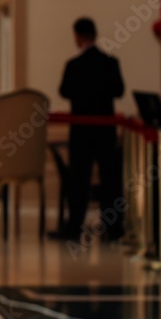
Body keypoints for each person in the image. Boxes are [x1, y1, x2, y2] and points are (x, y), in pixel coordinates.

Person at [51, 17, 126, 242]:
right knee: (110, 179)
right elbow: (119, 90)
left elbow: (64, 91)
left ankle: (74, 226)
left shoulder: (74, 66)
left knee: (79, 179)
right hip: (105, 131)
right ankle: (112, 227)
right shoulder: (110, 62)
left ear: (78, 36)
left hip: (82, 132)